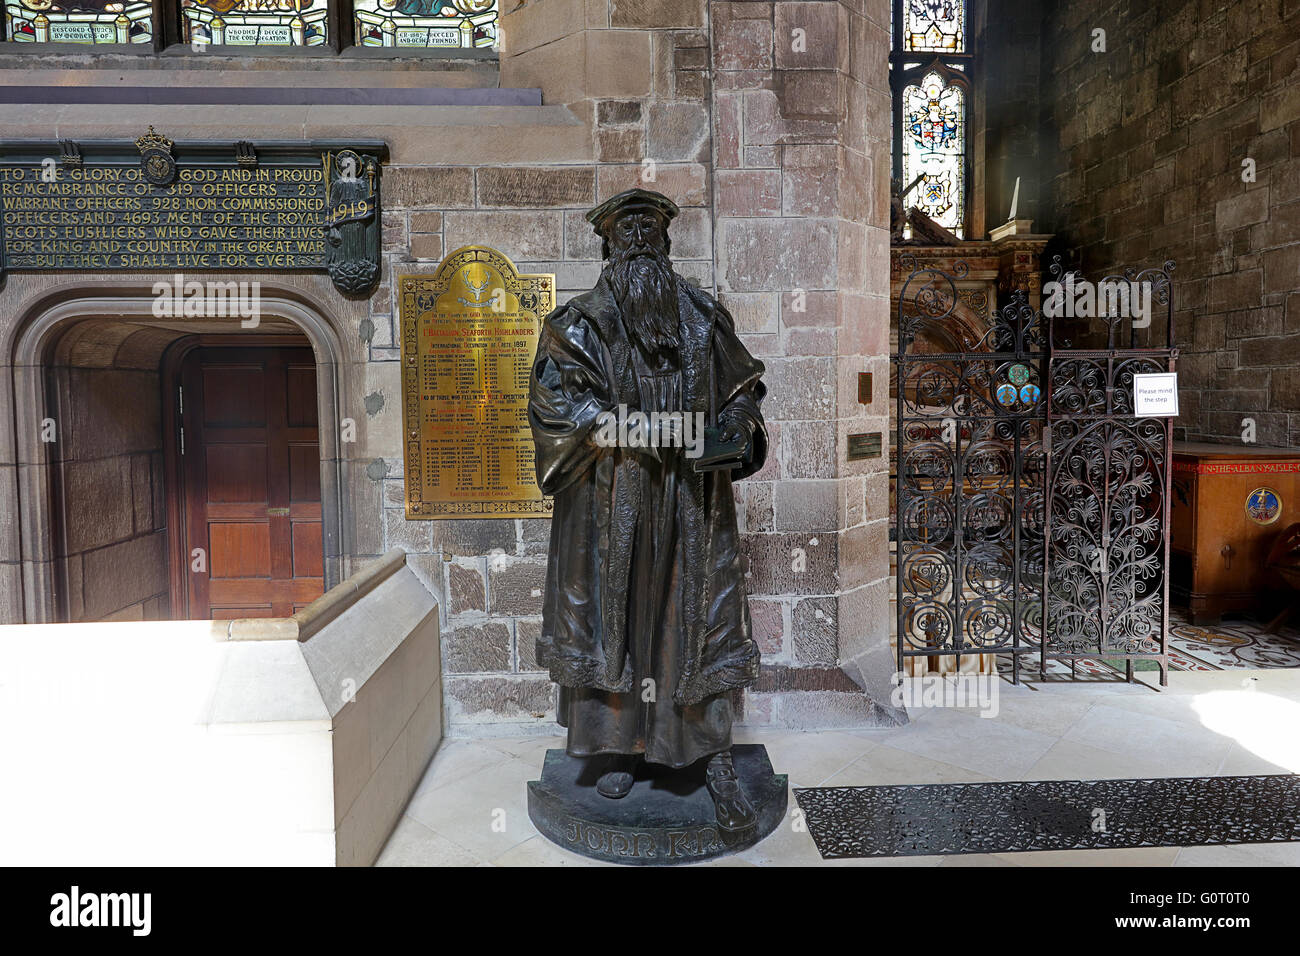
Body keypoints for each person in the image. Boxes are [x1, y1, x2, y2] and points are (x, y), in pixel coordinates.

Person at [527, 189, 768, 830]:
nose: (640, 248)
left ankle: (711, 755)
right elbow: (558, 409)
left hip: (690, 503)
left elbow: (745, 395)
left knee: (690, 626)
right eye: (627, 237)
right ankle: (620, 745)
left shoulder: (702, 320)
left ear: (664, 246)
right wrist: (640, 431)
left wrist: (737, 431)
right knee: (621, 625)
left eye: (650, 237)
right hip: (612, 507)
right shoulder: (576, 324)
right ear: (609, 248)